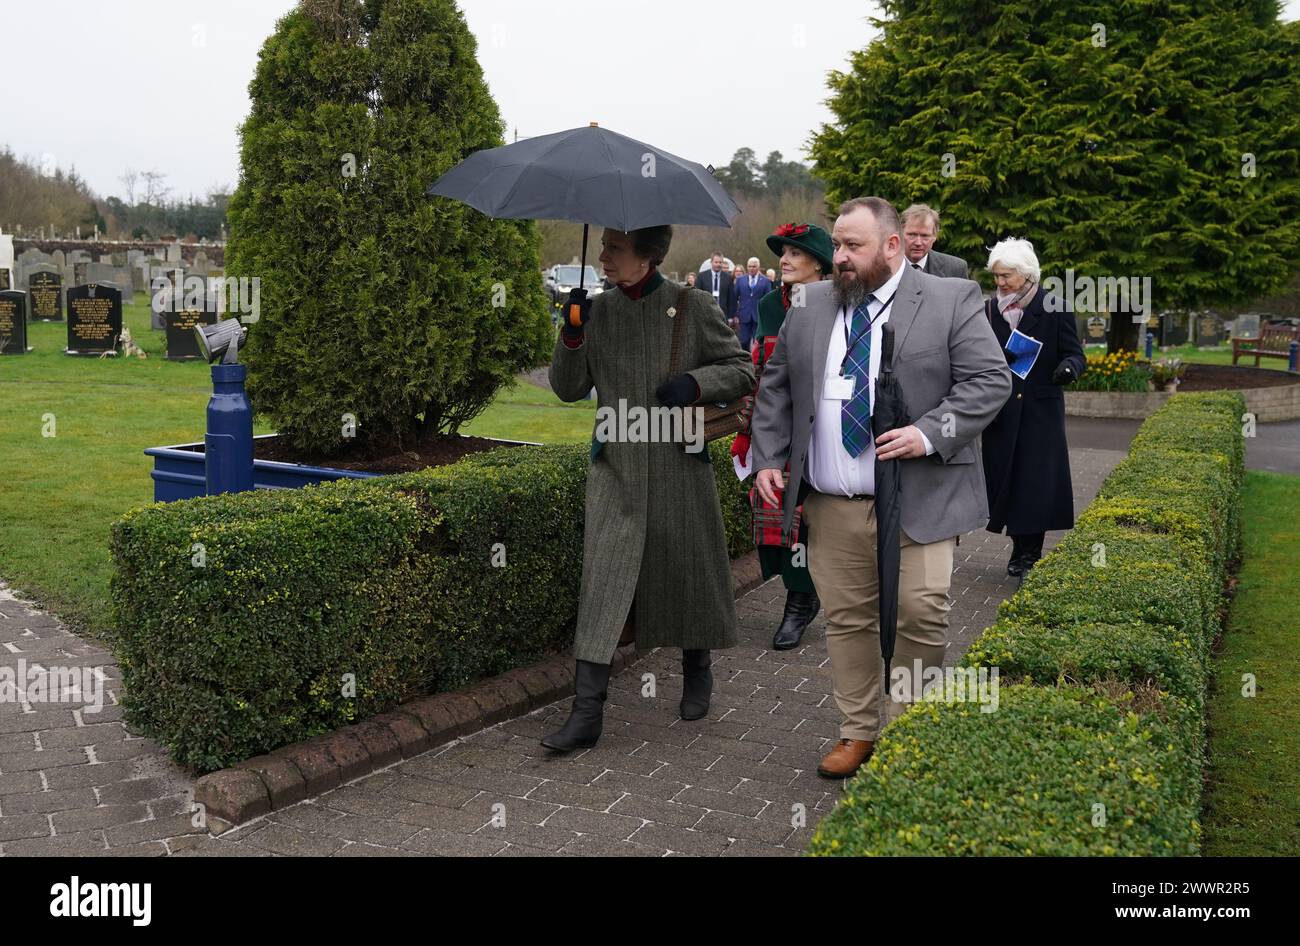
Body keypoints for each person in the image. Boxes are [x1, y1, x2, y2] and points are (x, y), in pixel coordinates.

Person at [749, 197, 1010, 779]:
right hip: (833, 503)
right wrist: (768, 455)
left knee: (921, 613)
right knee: (848, 618)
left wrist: (928, 433)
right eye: (837, 245)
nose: (838, 257)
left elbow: (990, 381)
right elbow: (777, 390)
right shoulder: (812, 304)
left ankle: (906, 728)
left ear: (893, 246)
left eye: (852, 246)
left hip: (920, 498)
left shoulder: (950, 299)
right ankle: (858, 730)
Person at [545, 225, 755, 751]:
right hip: (615, 468)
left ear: (648, 256)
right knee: (603, 584)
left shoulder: (693, 304)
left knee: (687, 572)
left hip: (679, 464)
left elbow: (741, 368)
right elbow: (569, 389)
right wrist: (571, 334)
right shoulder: (598, 311)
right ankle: (586, 712)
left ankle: (697, 666)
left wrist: (696, 383)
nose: (604, 258)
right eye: (605, 248)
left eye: (614, 249)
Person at [732, 222, 834, 650]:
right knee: (776, 519)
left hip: (821, 425)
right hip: (775, 423)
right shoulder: (772, 303)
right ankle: (800, 591)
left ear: (819, 263)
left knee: (811, 520)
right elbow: (759, 362)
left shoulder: (838, 302)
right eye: (783, 253)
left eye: (795, 253)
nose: (785, 260)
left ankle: (801, 601)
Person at [981, 237, 1085, 580]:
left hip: (1040, 412)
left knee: (1035, 483)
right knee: (1006, 479)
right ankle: (1017, 545)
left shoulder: (1055, 306)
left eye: (1006, 276)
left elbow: (1075, 354)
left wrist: (1069, 368)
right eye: (996, 276)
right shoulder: (989, 310)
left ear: (1026, 275)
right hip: (1002, 411)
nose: (1000, 283)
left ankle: (1029, 554)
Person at [900, 204, 969, 277]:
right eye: (912, 235)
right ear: (900, 233)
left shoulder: (956, 269)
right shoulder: (887, 265)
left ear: (935, 236)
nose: (918, 243)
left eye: (925, 236)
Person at [732, 257, 772, 350]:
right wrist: (735, 314)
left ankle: (757, 362)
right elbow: (734, 298)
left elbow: (768, 300)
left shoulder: (765, 281)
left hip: (758, 316)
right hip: (744, 315)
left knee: (757, 341)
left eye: (754, 266)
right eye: (749, 266)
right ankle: (745, 360)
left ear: (758, 267)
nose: (751, 268)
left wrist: (766, 315)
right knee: (744, 340)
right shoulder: (740, 280)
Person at [697, 251, 734, 329]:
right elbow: (697, 296)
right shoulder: (702, 277)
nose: (718, 264)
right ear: (711, 262)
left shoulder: (728, 278)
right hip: (706, 313)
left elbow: (731, 298)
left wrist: (731, 317)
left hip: (723, 315)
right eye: (716, 262)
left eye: (720, 262)